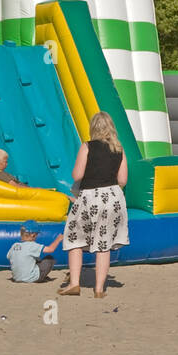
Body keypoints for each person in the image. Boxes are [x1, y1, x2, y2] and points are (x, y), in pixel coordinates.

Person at [57, 111, 129, 299]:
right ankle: (99, 289)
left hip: (90, 197)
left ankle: (74, 283)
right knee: (103, 244)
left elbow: (77, 175)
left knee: (74, 238)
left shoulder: (87, 147)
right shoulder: (119, 149)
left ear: (93, 128)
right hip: (113, 197)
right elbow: (123, 179)